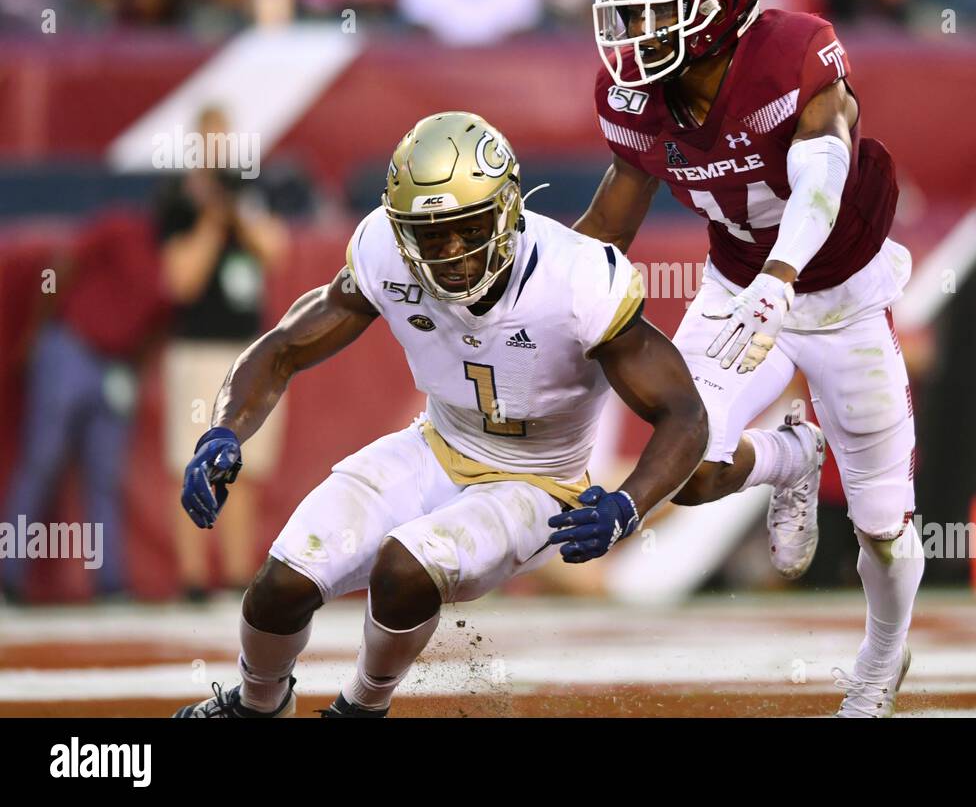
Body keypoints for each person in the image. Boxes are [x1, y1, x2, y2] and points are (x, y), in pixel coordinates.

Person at [173, 112, 707, 717]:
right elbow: (284, 346)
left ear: (506, 213)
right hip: (436, 444)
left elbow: (684, 412)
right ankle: (256, 706)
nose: (450, 251)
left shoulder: (574, 277)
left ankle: (362, 706)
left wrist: (628, 505)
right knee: (283, 580)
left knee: (405, 568)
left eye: (466, 228)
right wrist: (223, 430)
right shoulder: (387, 255)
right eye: (431, 234)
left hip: (535, 481)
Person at [579, 0, 919, 717]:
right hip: (737, 290)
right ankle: (791, 455)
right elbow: (610, 229)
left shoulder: (789, 55)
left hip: (839, 294)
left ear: (717, 9)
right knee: (687, 466)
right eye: (631, 11)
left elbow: (823, 177)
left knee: (883, 524)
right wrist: (519, 292)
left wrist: (782, 273)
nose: (635, 31)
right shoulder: (638, 98)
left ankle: (882, 656)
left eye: (658, 10)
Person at [1, 210, 171, 602]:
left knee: (104, 478)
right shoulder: (122, 228)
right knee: (41, 462)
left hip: (116, 368)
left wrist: (133, 371)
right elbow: (65, 264)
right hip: (70, 348)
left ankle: (109, 582)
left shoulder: (178, 265)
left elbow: (157, 325)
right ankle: (9, 576)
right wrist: (41, 330)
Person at [157, 105, 288, 603]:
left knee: (244, 467)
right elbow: (181, 280)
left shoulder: (249, 190)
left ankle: (236, 576)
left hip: (247, 350)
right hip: (197, 348)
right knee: (189, 463)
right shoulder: (178, 200)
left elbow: (275, 251)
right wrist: (211, 217)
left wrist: (236, 209)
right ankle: (193, 579)